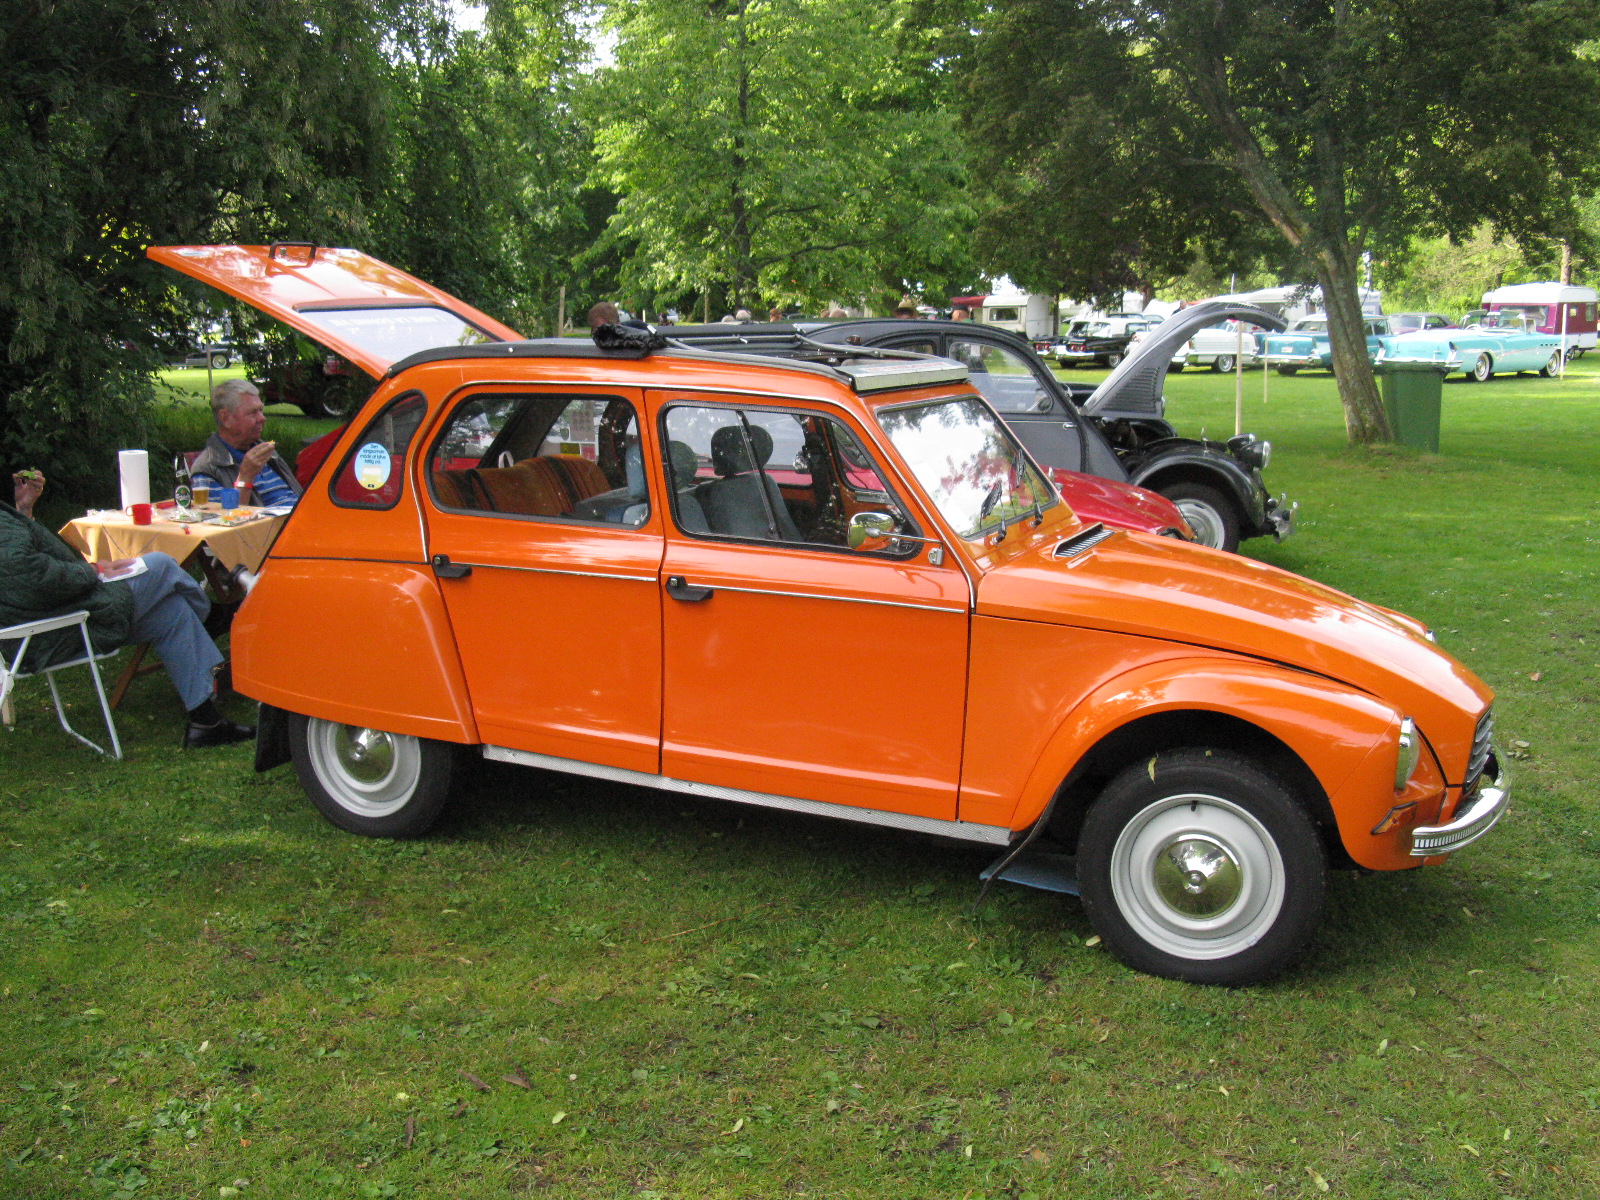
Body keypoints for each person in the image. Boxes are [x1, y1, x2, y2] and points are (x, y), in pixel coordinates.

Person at [3, 469, 253, 748]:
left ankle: (206, 723)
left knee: (171, 612)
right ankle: (213, 617)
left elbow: (20, 567)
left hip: (58, 615)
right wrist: (94, 570)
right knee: (161, 565)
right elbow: (32, 578)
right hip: (50, 633)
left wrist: (23, 509)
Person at [190, 380, 302, 508]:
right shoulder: (208, 468)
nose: (262, 418)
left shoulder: (265, 451)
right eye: (253, 412)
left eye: (261, 410)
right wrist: (246, 476)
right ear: (225, 418)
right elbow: (222, 522)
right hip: (275, 527)